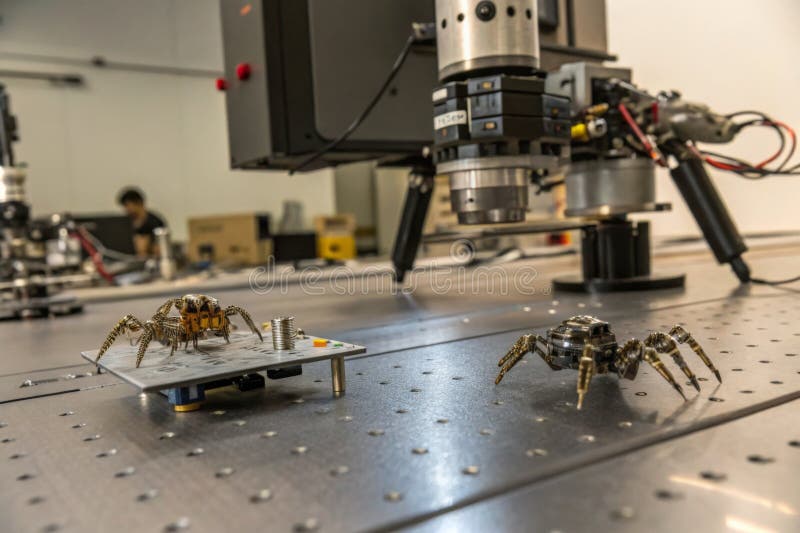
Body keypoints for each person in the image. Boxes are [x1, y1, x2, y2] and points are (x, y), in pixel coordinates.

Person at [117, 187, 166, 258]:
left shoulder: (155, 222)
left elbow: (161, 248)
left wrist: (147, 247)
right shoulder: (126, 223)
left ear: (139, 203)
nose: (126, 209)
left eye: (128, 205)